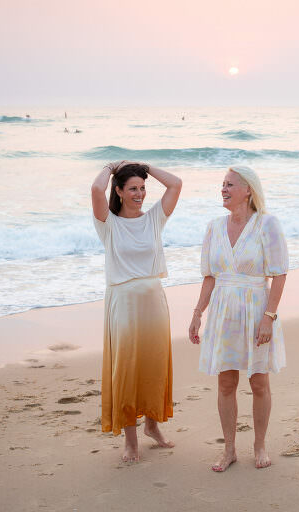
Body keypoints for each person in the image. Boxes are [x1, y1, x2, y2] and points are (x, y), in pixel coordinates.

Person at [188, 165, 289, 472]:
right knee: (226, 382)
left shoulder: (267, 225)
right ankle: (229, 449)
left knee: (258, 381)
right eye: (222, 184)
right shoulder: (214, 227)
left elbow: (280, 274)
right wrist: (197, 313)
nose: (223, 189)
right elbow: (209, 277)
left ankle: (259, 445)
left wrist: (269, 317)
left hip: (257, 309)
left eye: (230, 184)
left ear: (248, 190)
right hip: (223, 312)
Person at [91, 160, 182, 462]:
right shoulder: (108, 223)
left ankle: (153, 427)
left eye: (142, 189)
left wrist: (146, 167)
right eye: (132, 189)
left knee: (154, 365)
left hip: (154, 300)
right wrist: (110, 167)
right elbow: (95, 188)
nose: (140, 194)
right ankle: (130, 440)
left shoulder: (154, 218)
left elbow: (175, 184)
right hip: (124, 303)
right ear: (118, 191)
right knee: (127, 368)